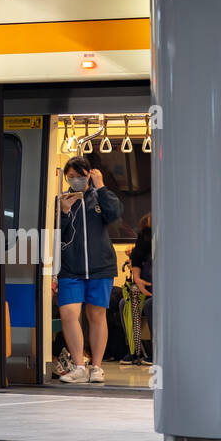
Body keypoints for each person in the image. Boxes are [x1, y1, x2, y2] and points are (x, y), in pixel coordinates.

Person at [56, 156, 121, 384]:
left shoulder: (99, 196)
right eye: (70, 177)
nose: (75, 181)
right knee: (68, 314)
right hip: (70, 269)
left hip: (100, 267)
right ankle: (79, 366)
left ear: (89, 175)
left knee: (96, 315)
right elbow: (56, 235)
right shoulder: (62, 200)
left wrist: (101, 186)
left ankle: (97, 367)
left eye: (79, 176)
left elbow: (113, 214)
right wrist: (64, 213)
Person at [121, 213, 153, 365]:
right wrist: (137, 278)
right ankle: (133, 349)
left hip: (157, 290)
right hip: (144, 286)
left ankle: (155, 350)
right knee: (123, 303)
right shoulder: (143, 242)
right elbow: (137, 257)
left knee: (150, 305)